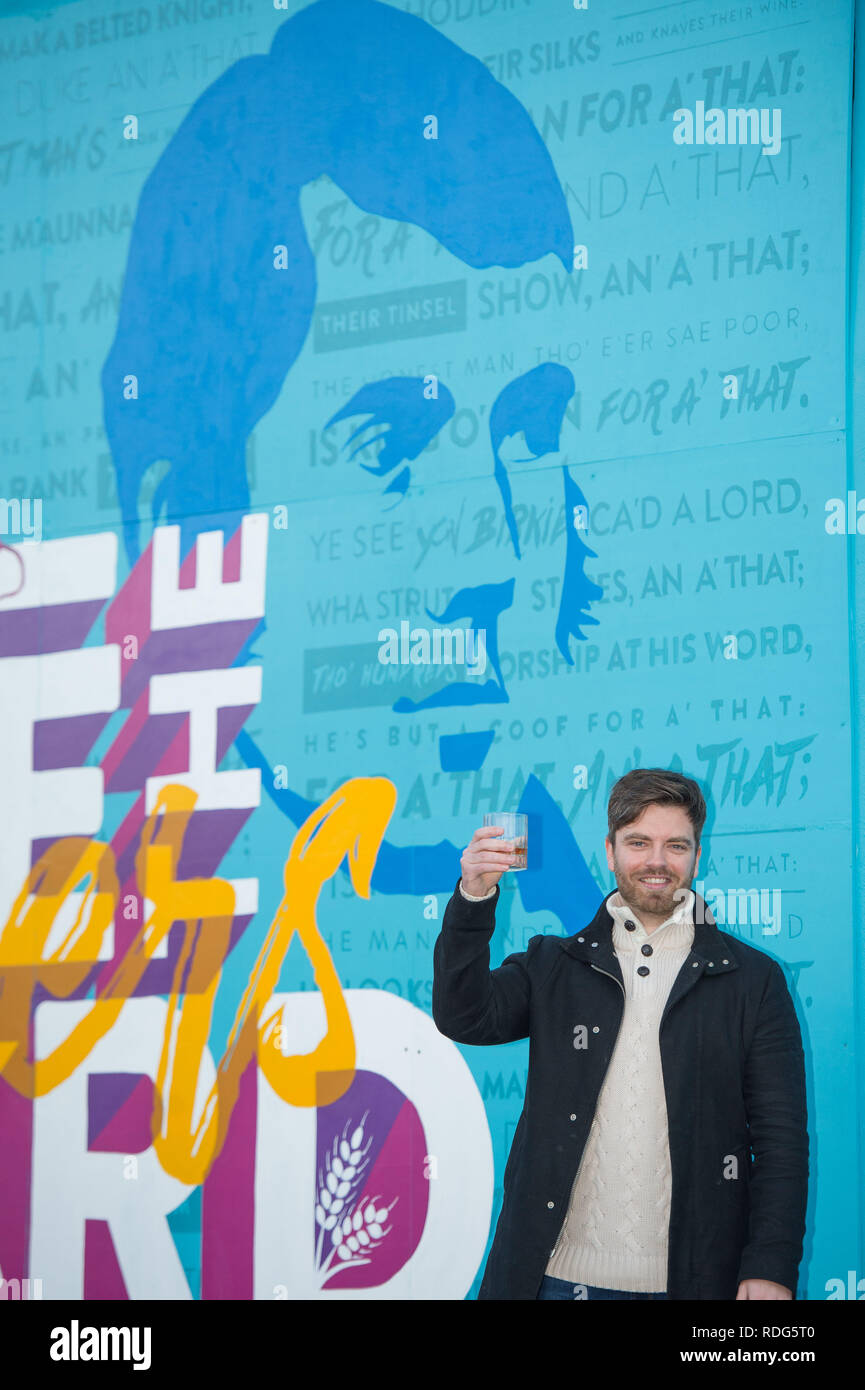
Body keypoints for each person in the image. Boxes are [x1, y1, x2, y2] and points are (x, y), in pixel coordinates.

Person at [432, 768, 809, 1300]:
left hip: (697, 1283)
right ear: (610, 852)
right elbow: (463, 1016)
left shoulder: (751, 979)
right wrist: (473, 898)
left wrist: (770, 1264)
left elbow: (781, 1141)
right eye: (638, 843)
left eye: (675, 845)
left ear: (697, 857)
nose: (657, 861)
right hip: (552, 1280)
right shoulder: (553, 964)